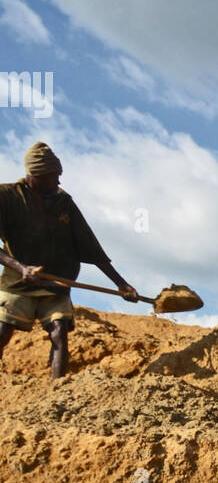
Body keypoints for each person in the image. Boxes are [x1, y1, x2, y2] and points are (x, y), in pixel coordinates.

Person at [0, 141, 139, 378]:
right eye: (53, 177)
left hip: (56, 285)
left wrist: (120, 283)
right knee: (2, 330)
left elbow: (91, 246)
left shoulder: (64, 203)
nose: (59, 182)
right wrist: (20, 267)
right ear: (36, 175)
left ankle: (58, 391)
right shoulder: (7, 197)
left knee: (59, 331)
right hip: (17, 283)